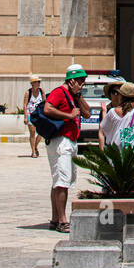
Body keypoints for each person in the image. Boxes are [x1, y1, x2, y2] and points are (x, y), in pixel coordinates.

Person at [41, 65, 91, 234]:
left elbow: (87, 114)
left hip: (71, 140)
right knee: (62, 180)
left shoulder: (73, 95)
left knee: (62, 180)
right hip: (61, 141)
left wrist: (78, 96)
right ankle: (63, 220)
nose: (83, 84)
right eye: (80, 81)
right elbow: (48, 108)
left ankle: (55, 218)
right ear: (71, 81)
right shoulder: (59, 92)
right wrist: (68, 115)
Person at [98, 82, 134, 150]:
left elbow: (104, 130)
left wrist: (104, 112)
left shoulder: (112, 112)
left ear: (122, 96)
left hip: (114, 154)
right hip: (132, 154)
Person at [23, 75, 45, 158]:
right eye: (37, 82)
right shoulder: (28, 92)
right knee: (32, 132)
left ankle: (35, 146)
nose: (39, 83)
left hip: (39, 114)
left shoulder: (41, 91)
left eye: (39, 82)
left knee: (41, 132)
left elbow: (44, 103)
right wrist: (25, 117)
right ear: (33, 83)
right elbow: (25, 105)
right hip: (30, 114)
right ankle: (33, 151)